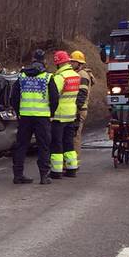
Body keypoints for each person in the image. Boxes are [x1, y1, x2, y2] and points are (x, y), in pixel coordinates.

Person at [11, 49, 55, 185]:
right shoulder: (47, 77)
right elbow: (54, 98)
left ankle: (18, 175)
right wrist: (51, 113)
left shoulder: (22, 76)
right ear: (44, 61)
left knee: (21, 145)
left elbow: (14, 97)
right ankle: (44, 176)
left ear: (33, 60)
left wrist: (19, 111)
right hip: (42, 117)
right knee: (44, 146)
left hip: (25, 116)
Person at [50, 51, 81, 179]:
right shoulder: (75, 75)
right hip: (71, 114)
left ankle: (56, 172)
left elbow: (53, 95)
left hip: (59, 115)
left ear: (58, 63)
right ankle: (71, 169)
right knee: (69, 143)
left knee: (57, 143)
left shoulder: (60, 77)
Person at [70, 50, 95, 157]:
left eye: (73, 62)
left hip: (79, 110)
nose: (71, 64)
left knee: (75, 137)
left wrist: (76, 110)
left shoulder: (82, 75)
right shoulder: (80, 73)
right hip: (79, 109)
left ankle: (74, 163)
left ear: (79, 63)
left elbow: (82, 94)